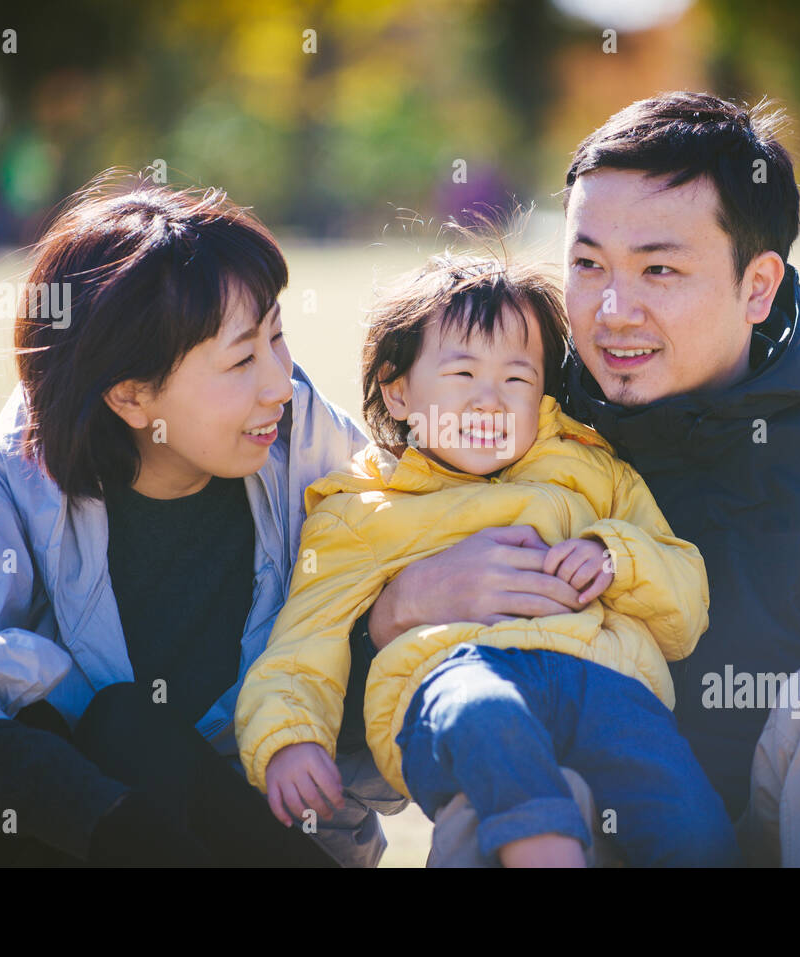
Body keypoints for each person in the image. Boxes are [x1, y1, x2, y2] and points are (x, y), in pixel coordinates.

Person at [357, 93, 800, 867]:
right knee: (499, 800)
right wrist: (399, 607)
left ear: (758, 285)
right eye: (587, 264)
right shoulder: (492, 435)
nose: (613, 310)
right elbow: (314, 694)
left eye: (659, 269)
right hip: (576, 834)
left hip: (790, 833)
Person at [0, 172, 405, 867]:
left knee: (125, 727)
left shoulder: (319, 466)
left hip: (268, 840)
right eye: (242, 357)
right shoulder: (5, 489)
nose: (279, 381)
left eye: (277, 335)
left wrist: (405, 608)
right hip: (104, 835)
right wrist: (115, 826)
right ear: (131, 397)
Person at [235, 253, 738, 867]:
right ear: (398, 392)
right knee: (486, 715)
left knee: (690, 820)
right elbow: (305, 639)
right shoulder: (360, 512)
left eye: (517, 380)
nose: (490, 402)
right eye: (463, 374)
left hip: (604, 684)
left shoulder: (594, 473)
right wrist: (289, 738)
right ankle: (545, 853)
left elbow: (687, 602)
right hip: (451, 683)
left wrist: (616, 557)